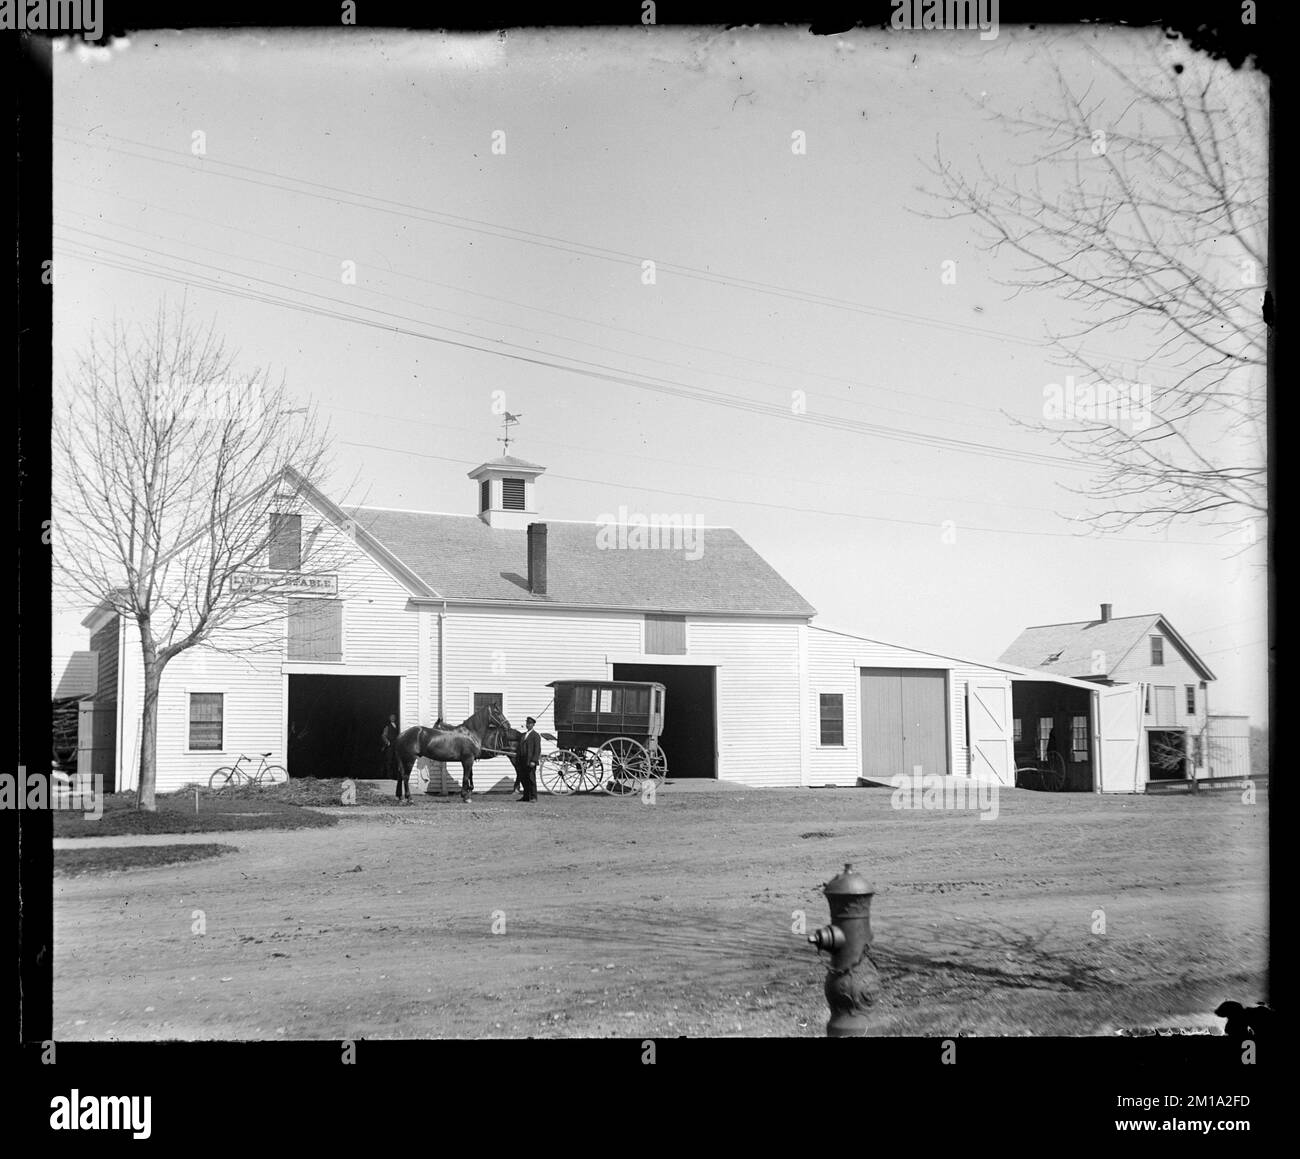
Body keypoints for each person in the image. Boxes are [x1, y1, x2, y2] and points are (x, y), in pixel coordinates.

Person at [381, 713, 406, 802]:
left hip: (397, 745)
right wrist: (387, 742)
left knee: (397, 761)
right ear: (389, 718)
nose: (392, 718)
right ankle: (389, 776)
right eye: (391, 717)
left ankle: (395, 776)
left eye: (394, 717)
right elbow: (383, 735)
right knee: (389, 760)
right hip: (390, 745)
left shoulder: (398, 726)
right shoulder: (387, 726)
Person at [515, 716, 540, 802]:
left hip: (530, 761)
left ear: (533, 725)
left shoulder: (535, 736)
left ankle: (533, 797)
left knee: (531, 779)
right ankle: (526, 796)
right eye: (527, 723)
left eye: (529, 724)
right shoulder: (523, 735)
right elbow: (520, 748)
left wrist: (534, 760)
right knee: (523, 778)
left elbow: (537, 750)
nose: (528, 725)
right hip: (522, 760)